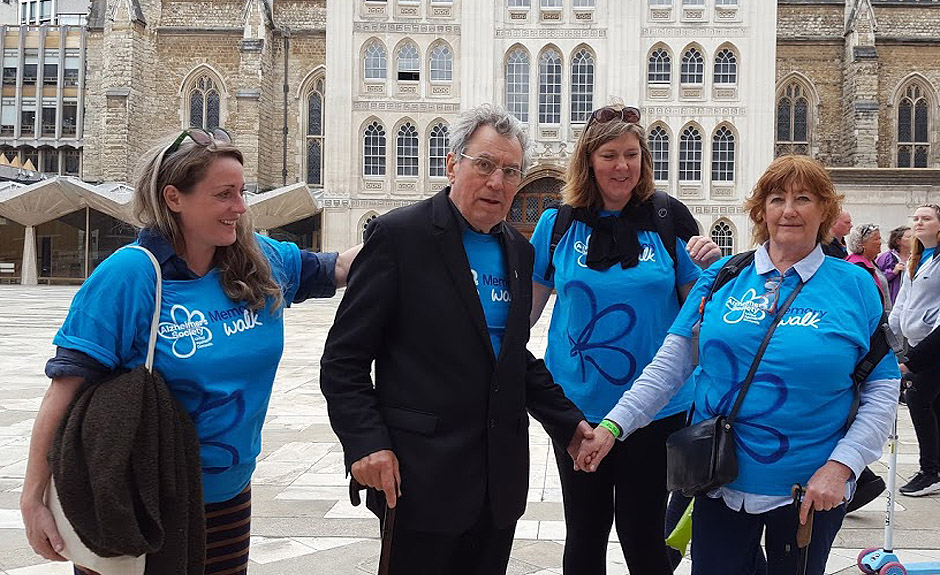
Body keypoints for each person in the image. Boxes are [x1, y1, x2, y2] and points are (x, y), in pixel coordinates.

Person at [20, 128, 360, 575]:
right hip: (140, 495)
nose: (240, 207)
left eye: (241, 192)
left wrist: (417, 225)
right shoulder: (131, 274)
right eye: (224, 195)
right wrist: (32, 500)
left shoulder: (258, 259)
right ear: (174, 197)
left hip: (229, 494)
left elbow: (336, 267)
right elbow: (64, 390)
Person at [578, 155, 899, 575]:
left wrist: (843, 466)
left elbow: (882, 386)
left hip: (809, 488)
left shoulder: (855, 285)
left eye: (803, 198)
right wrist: (614, 425)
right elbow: (669, 367)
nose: (789, 210)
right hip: (719, 482)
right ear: (761, 210)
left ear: (825, 210)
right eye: (776, 198)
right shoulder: (723, 277)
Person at [319, 104, 592, 575]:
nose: (497, 182)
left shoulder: (518, 251)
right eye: (484, 165)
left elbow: (509, 356)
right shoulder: (399, 236)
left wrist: (569, 424)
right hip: (420, 475)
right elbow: (343, 359)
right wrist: (365, 441)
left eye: (510, 171)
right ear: (452, 164)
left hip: (497, 482)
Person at [527, 104, 720, 575]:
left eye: (631, 154)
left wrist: (715, 270)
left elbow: (699, 316)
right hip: (578, 409)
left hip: (656, 409)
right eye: (610, 155)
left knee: (644, 534)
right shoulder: (557, 225)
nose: (622, 166)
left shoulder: (668, 217)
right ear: (589, 160)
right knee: (585, 532)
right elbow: (523, 316)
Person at [890, 203, 940, 497]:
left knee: (918, 397)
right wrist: (884, 342)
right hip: (917, 340)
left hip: (933, 345)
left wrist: (910, 362)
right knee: (933, 404)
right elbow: (901, 307)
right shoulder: (917, 258)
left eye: (926, 218)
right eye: (916, 218)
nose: (919, 223)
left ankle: (929, 471)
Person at [846, 223, 891, 310]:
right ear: (861, 243)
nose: (880, 242)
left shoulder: (871, 262)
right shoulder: (857, 266)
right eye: (876, 239)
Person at [875, 226, 912, 304]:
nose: (914, 239)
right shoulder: (885, 257)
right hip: (892, 301)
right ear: (898, 241)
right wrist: (893, 272)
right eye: (909, 237)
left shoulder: (916, 257)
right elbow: (876, 278)